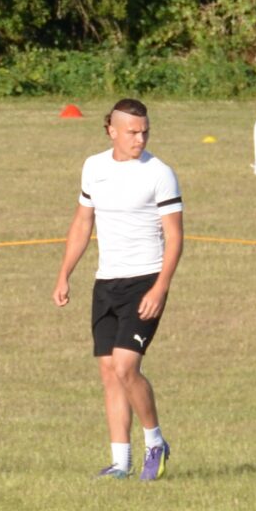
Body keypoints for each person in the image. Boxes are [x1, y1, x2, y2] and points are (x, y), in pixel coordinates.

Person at [53, 98, 183, 480]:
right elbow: (82, 223)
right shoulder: (94, 167)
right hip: (105, 283)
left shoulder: (160, 173)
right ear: (112, 130)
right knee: (109, 372)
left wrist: (160, 287)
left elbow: (174, 237)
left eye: (145, 132)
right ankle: (120, 463)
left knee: (127, 367)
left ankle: (155, 441)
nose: (139, 139)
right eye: (132, 132)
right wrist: (65, 274)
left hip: (145, 282)